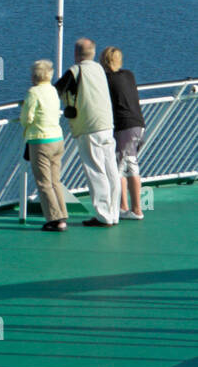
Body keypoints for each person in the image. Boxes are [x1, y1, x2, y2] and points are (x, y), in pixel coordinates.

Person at [55, 38, 119, 226]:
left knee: (95, 170)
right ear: (93, 53)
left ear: (76, 54)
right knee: (111, 170)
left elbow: (55, 91)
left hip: (89, 128)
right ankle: (113, 213)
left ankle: (103, 216)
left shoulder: (75, 71)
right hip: (107, 125)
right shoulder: (100, 69)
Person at [21, 59, 67, 231]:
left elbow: (27, 118)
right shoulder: (53, 90)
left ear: (34, 75)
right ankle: (62, 215)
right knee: (55, 181)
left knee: (44, 183)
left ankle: (55, 219)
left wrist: (25, 124)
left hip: (41, 141)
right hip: (57, 139)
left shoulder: (33, 92)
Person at [101, 46, 146, 220]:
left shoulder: (107, 80)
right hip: (138, 125)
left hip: (125, 127)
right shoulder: (129, 75)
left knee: (122, 167)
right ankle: (126, 207)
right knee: (128, 164)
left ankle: (132, 209)